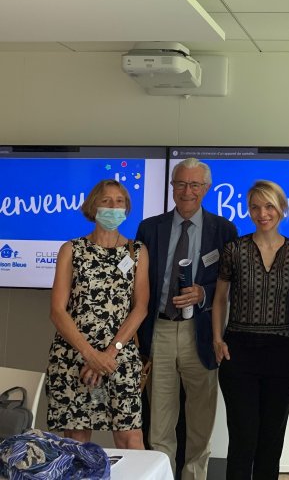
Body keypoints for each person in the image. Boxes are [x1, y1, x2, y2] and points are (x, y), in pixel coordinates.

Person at [136, 158, 238, 480]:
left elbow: (232, 283)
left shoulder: (224, 230)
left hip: (203, 333)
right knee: (160, 424)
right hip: (161, 331)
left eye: (195, 185)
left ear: (206, 189)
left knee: (200, 423)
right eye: (181, 183)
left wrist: (203, 293)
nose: (187, 191)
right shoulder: (149, 228)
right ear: (172, 187)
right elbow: (139, 286)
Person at [212, 180, 289, 480]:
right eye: (255, 206)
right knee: (243, 438)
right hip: (239, 350)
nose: (262, 213)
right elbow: (220, 299)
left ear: (281, 208)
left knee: (271, 438)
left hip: (283, 350)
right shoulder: (234, 249)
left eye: (268, 206)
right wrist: (217, 338)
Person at [46, 179, 149, 448]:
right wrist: (91, 356)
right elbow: (57, 311)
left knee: (131, 438)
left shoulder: (137, 251)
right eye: (106, 201)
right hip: (74, 356)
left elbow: (140, 308)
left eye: (119, 201)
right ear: (93, 205)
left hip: (119, 357)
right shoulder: (71, 249)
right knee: (77, 442)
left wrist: (108, 355)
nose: (113, 206)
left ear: (127, 208)